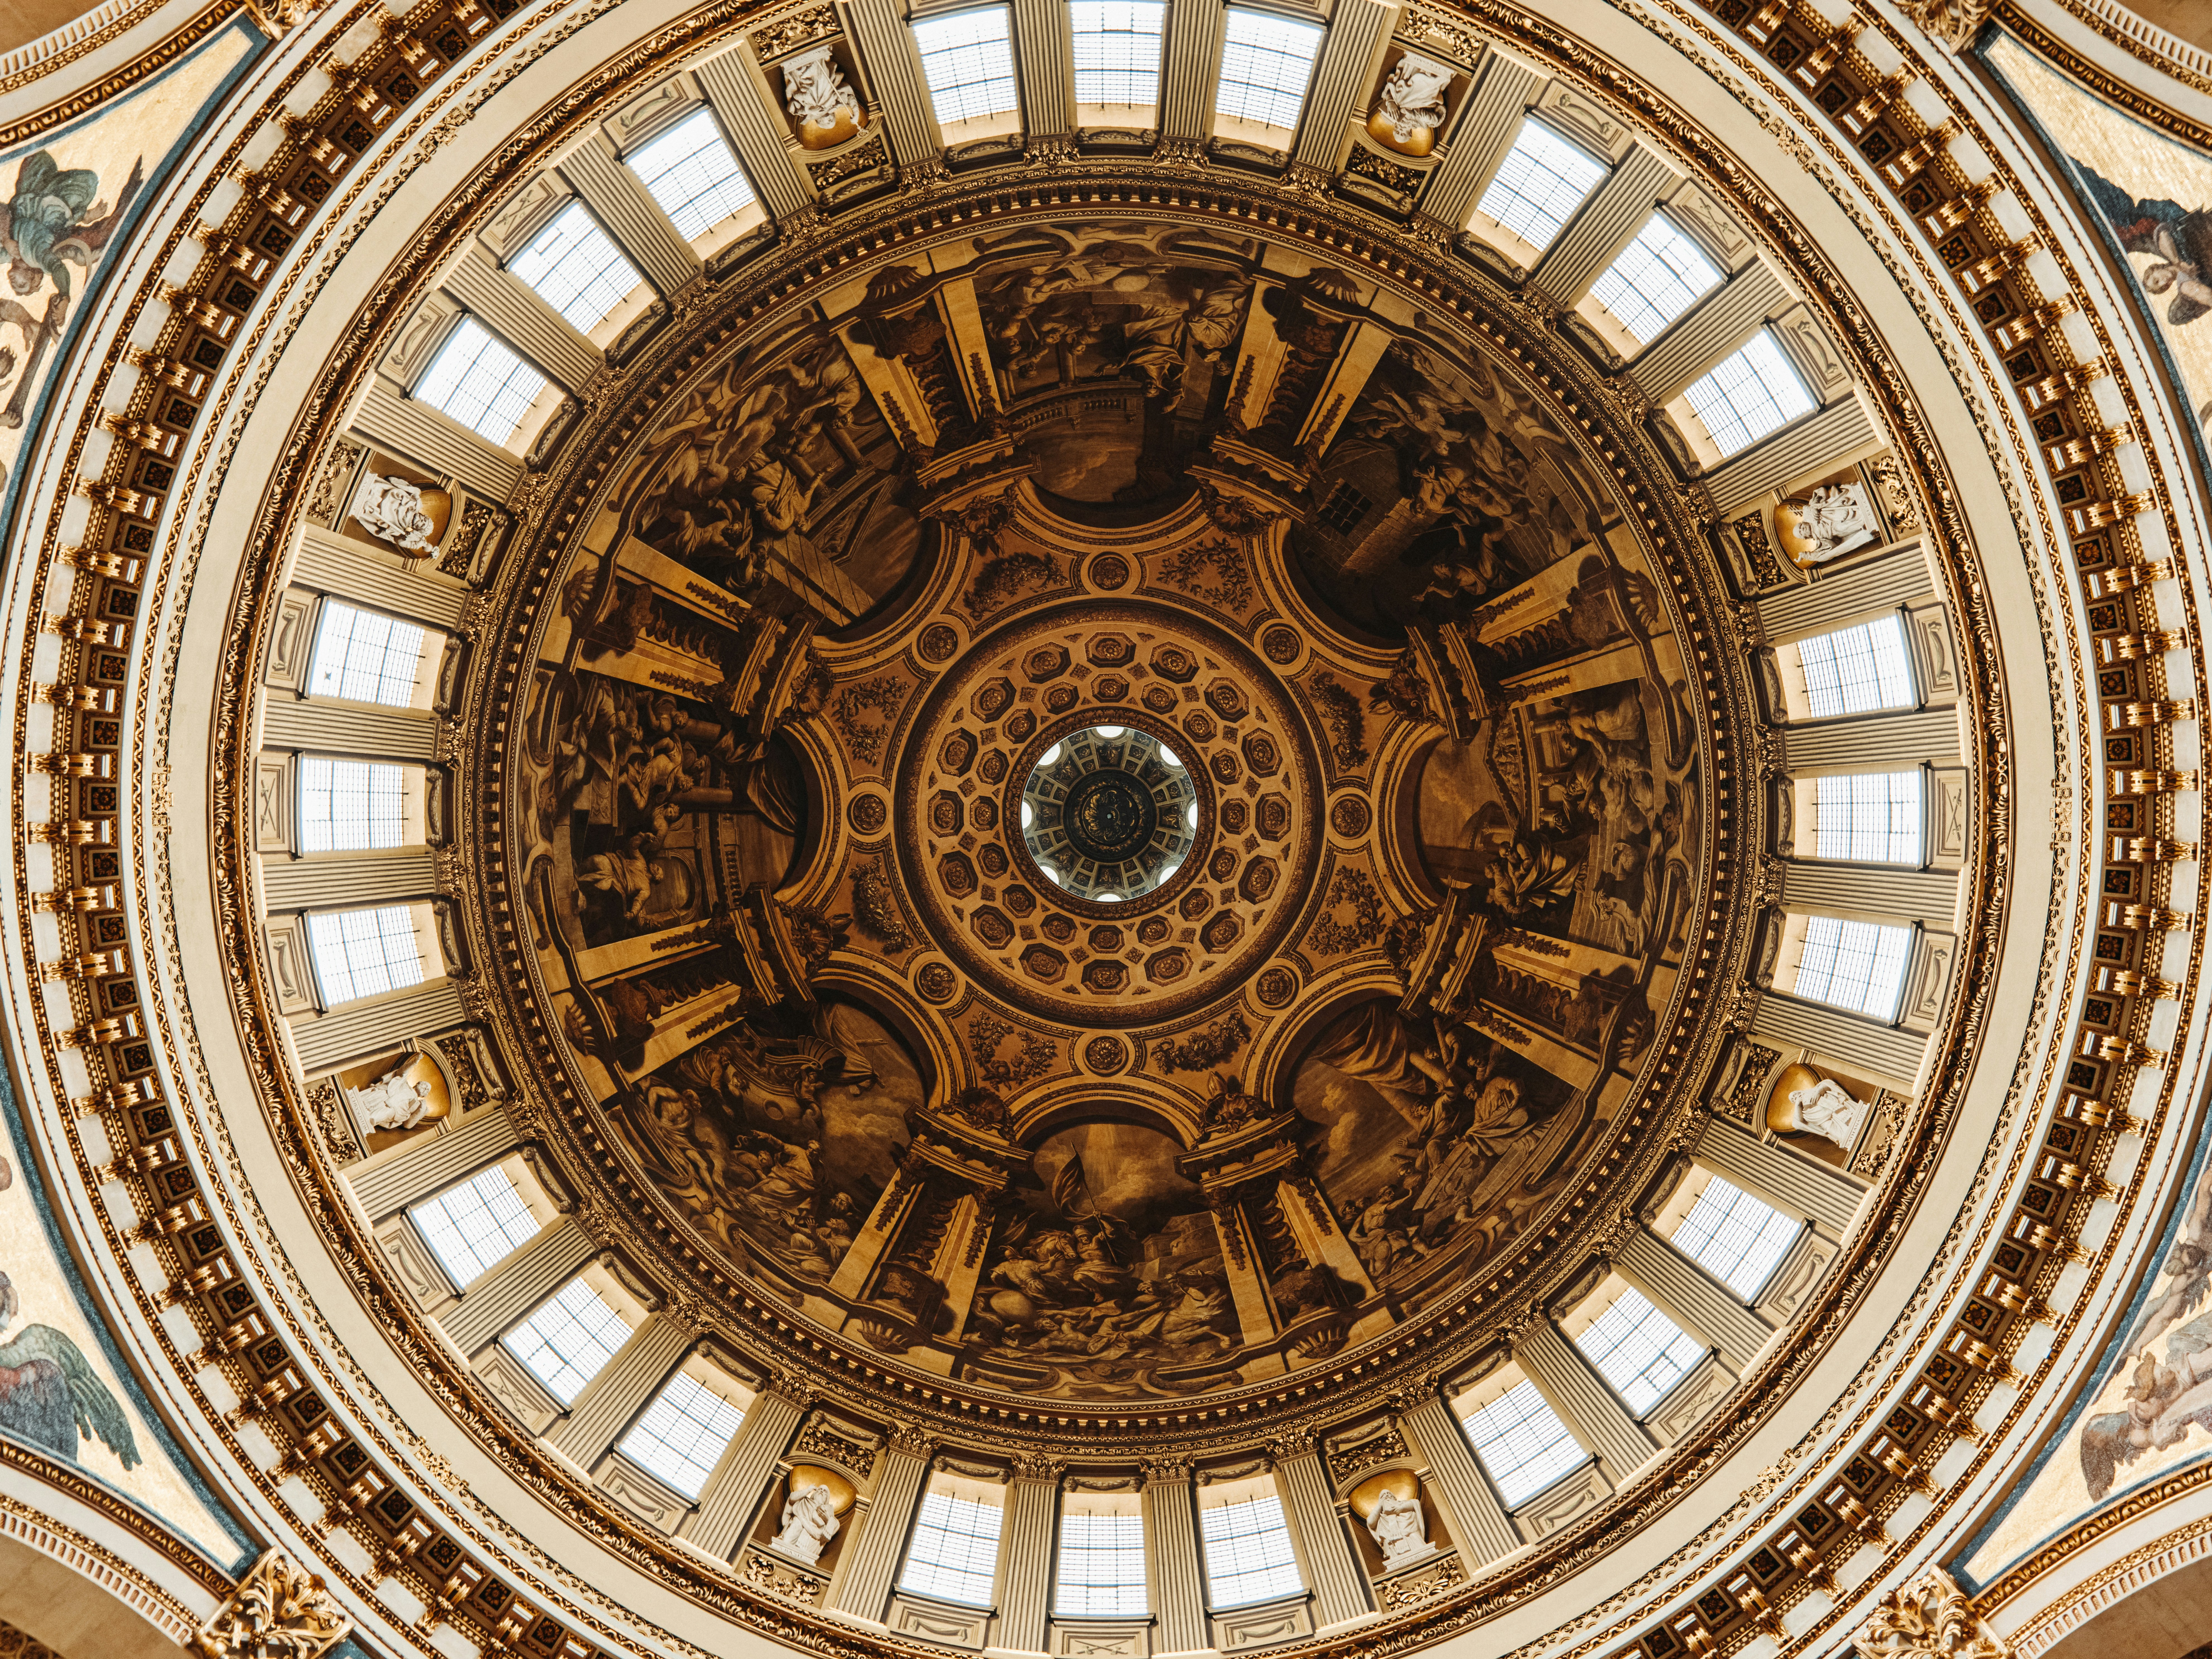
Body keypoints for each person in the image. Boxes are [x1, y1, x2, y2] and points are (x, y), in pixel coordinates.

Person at [769, 1479, 840, 1565]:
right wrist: (808, 1490)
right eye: (820, 1489)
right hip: (797, 1525)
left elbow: (835, 1525)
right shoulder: (804, 1501)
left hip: (813, 1538)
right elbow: (792, 1498)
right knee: (798, 1521)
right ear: (815, 1493)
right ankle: (786, 1543)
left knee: (800, 1523)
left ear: (827, 1498)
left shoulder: (827, 1512)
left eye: (825, 1491)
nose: (822, 1491)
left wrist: (828, 1519)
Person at [1366, 1487, 1433, 1569]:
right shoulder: (1380, 1515)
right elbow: (1371, 1523)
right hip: (1392, 1543)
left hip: (1411, 1535)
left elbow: (1415, 1504)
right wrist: (1380, 1505)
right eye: (1383, 1495)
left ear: (1394, 1497)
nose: (1386, 1496)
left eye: (1389, 1494)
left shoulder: (1404, 1504)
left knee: (1418, 1545)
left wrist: (1401, 1509)